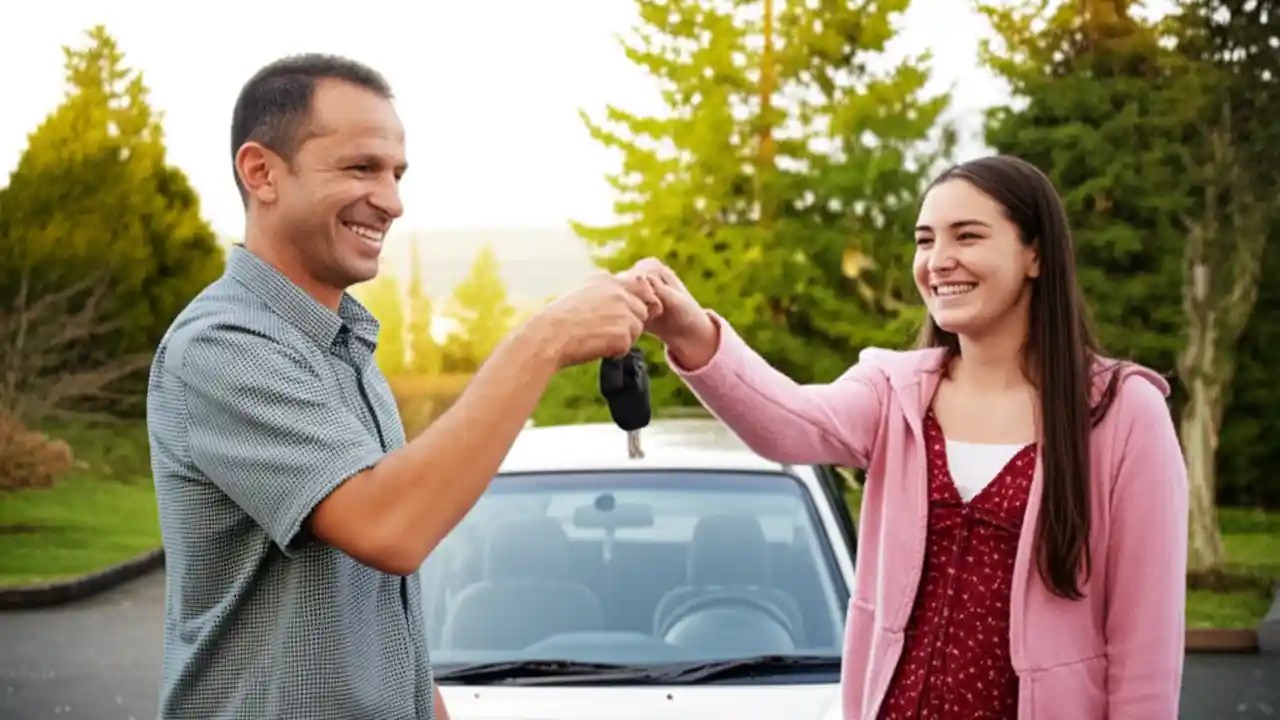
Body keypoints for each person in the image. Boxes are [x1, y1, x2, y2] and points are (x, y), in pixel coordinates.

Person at [145, 53, 660, 719]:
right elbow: (392, 527)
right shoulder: (222, 348)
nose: (391, 200)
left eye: (396, 173)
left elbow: (378, 606)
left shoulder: (345, 349)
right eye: (361, 168)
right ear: (261, 172)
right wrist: (547, 338)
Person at [626, 155, 1188, 719]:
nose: (939, 262)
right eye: (925, 241)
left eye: (966, 236)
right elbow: (786, 424)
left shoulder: (1122, 411)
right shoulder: (894, 391)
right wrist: (689, 330)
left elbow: (1146, 646)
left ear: (1035, 254)